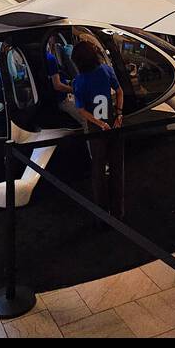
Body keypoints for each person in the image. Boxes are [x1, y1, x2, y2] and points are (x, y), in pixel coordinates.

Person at [70, 37, 125, 219]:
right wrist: (119, 114)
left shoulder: (79, 81)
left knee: (99, 170)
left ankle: (102, 213)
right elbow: (119, 91)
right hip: (114, 123)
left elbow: (81, 110)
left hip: (97, 129)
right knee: (117, 168)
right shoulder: (106, 70)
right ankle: (119, 211)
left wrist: (99, 123)